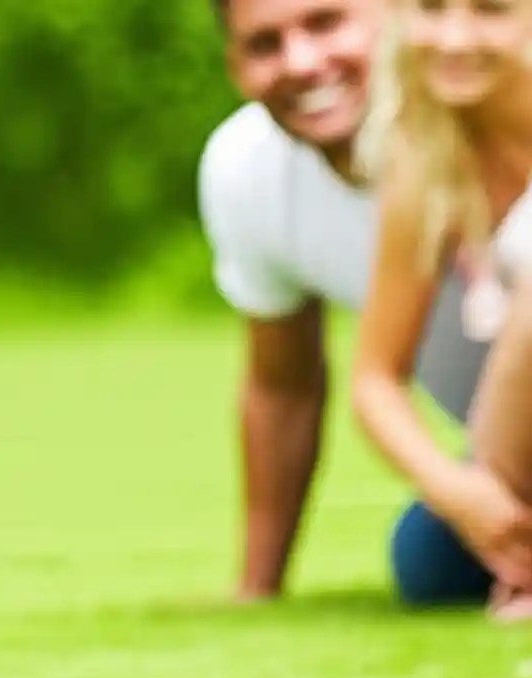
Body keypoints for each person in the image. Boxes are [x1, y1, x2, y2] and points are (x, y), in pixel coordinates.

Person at [198, 0, 501, 605]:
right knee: (429, 561)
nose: (303, 63)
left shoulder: (496, 120)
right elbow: (284, 385)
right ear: (234, 66)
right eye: (265, 46)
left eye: (326, 24)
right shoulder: (245, 172)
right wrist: (259, 587)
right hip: (508, 454)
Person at [352, 0, 532, 621]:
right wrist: (461, 493)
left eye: (489, 11)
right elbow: (375, 378)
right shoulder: (425, 166)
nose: (454, 39)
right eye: (432, 8)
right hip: (518, 464)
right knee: (426, 556)